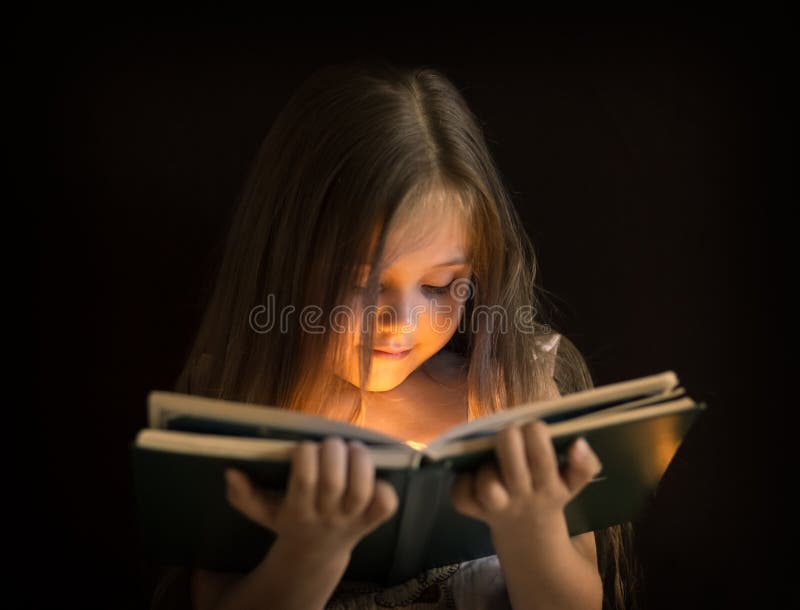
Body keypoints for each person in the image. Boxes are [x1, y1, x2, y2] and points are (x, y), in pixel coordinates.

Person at [148, 59, 641, 610]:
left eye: (440, 284)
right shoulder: (242, 409)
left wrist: (532, 532)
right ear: (284, 262)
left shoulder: (514, 392)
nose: (401, 322)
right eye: (361, 283)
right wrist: (306, 557)